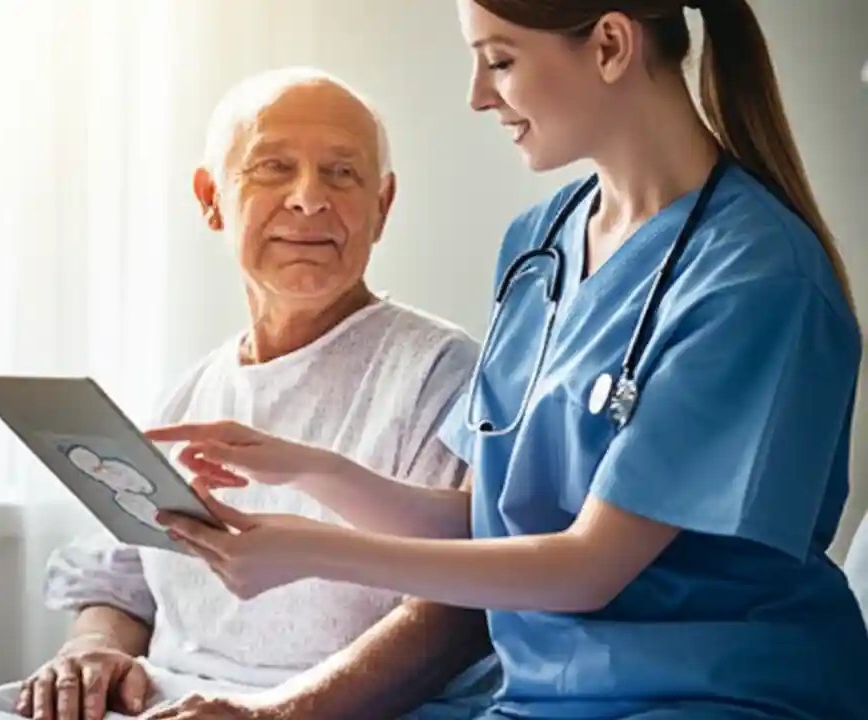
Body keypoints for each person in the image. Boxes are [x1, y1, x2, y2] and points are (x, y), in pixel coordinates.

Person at [148, 2, 868, 718]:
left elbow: (586, 569)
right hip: (539, 699)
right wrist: (309, 467)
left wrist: (312, 551)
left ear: (611, 44)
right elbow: (487, 522)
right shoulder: (541, 243)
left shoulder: (755, 277)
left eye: (499, 60)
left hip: (714, 697)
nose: (477, 94)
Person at [0, 67, 498, 720]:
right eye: (273, 167)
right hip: (166, 694)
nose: (309, 199)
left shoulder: (440, 370)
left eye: (343, 173)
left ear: (383, 205)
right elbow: (121, 579)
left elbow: (458, 607)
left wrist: (280, 714)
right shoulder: (190, 393)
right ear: (211, 197)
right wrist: (92, 653)